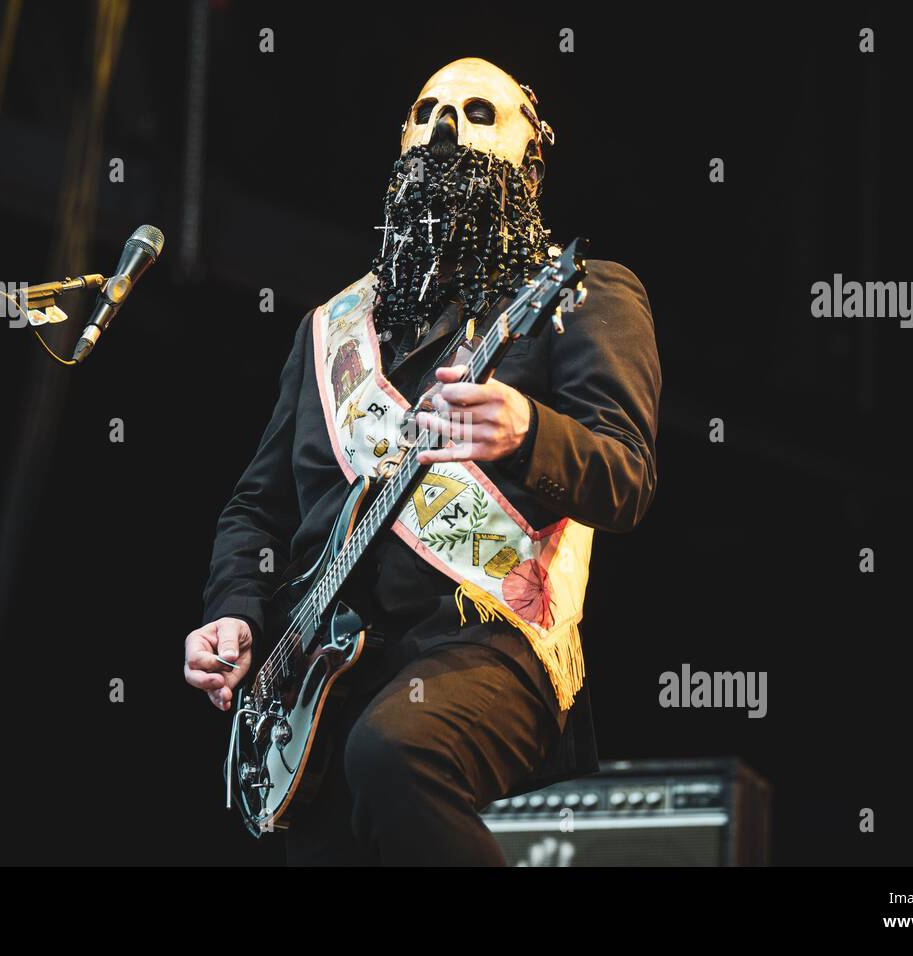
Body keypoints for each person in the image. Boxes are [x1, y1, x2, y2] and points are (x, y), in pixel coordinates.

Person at [185, 58, 661, 865]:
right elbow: (256, 508)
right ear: (401, 143)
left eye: (480, 112)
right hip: (315, 681)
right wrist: (233, 607)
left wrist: (531, 431)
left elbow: (626, 475)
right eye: (427, 111)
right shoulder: (330, 331)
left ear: (530, 160)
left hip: (483, 644)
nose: (447, 128)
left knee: (393, 751)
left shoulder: (580, 294)